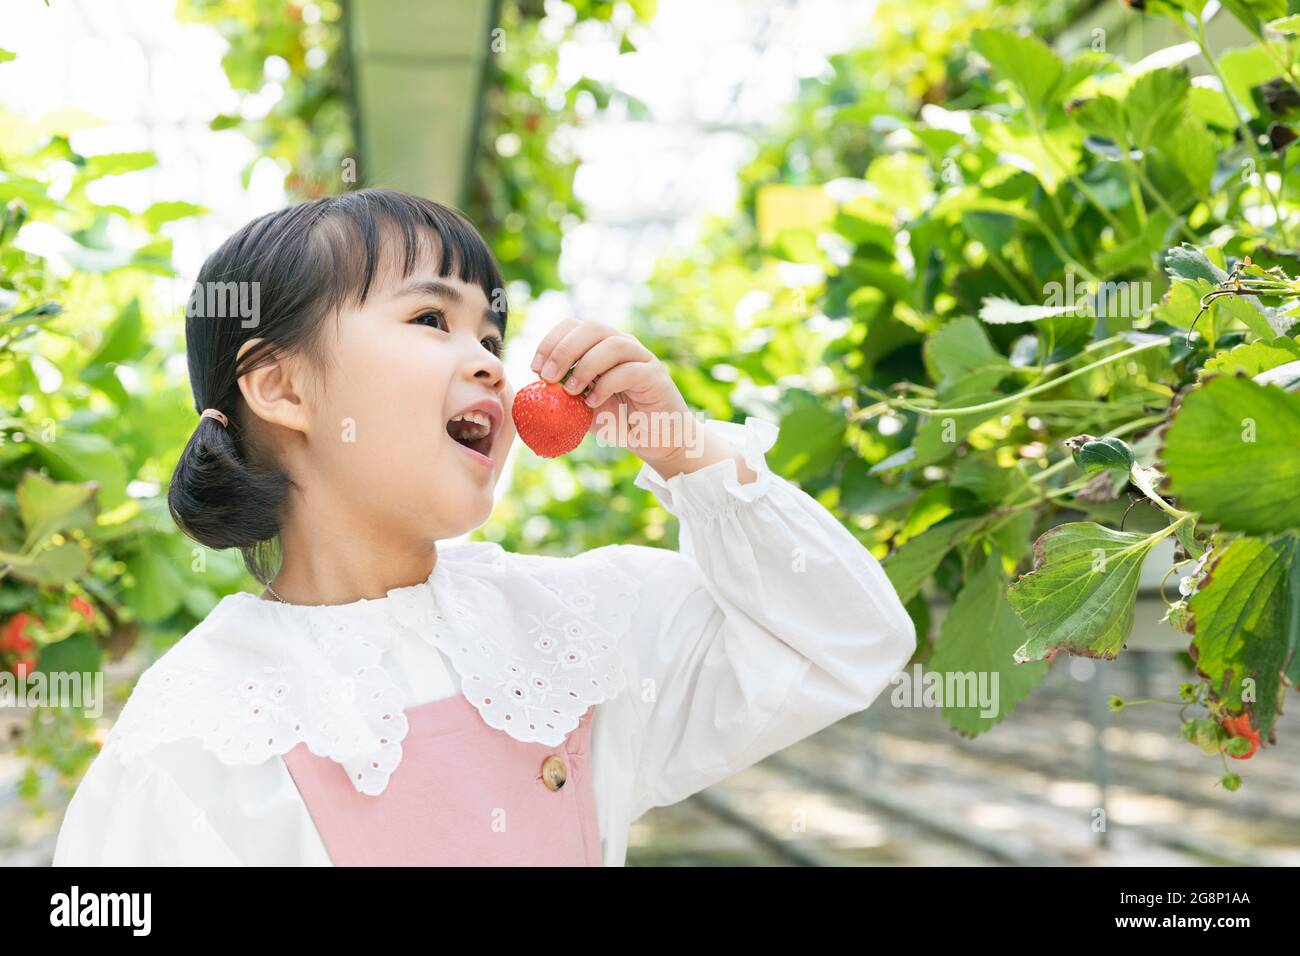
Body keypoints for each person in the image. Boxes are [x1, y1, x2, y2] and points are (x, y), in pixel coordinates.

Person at [51, 187, 915, 866]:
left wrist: (684, 450)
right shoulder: (203, 726)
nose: (489, 363)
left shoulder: (574, 633)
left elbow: (847, 642)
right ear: (282, 390)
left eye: (493, 335)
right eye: (432, 319)